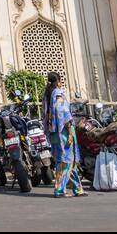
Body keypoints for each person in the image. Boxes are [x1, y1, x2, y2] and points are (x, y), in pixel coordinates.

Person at [42, 70, 83, 198]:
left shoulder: (47, 95)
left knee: (68, 161)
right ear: (58, 82)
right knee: (65, 162)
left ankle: (78, 188)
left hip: (53, 133)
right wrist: (70, 133)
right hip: (63, 133)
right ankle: (59, 189)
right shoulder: (58, 94)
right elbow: (64, 115)